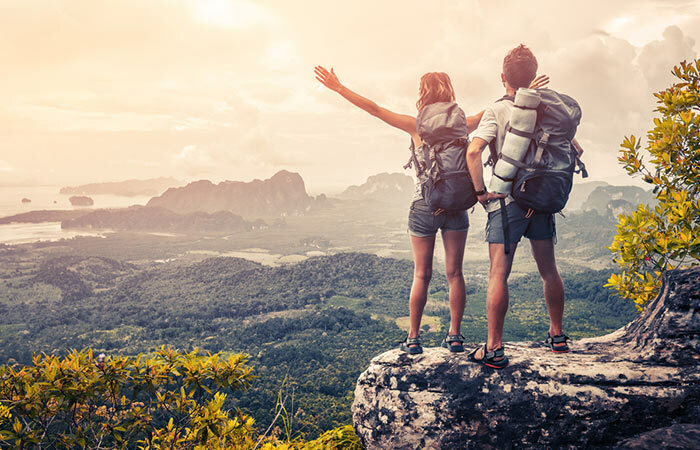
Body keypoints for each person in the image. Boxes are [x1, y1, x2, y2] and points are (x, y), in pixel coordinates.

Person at [314, 65, 549, 355]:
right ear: (449, 93)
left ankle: (413, 339)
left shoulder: (416, 125)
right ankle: (455, 336)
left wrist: (339, 88)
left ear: (422, 95)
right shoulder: (465, 124)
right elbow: (501, 110)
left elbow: (374, 109)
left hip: (424, 205)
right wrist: (527, 93)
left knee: (421, 274)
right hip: (457, 206)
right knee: (455, 274)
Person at [465, 44, 584, 369]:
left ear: (503, 77)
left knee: (498, 274)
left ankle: (494, 348)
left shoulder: (497, 110)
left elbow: (474, 152)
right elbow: (578, 149)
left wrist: (480, 192)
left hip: (508, 204)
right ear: (534, 75)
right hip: (543, 200)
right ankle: (558, 336)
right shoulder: (547, 109)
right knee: (549, 271)